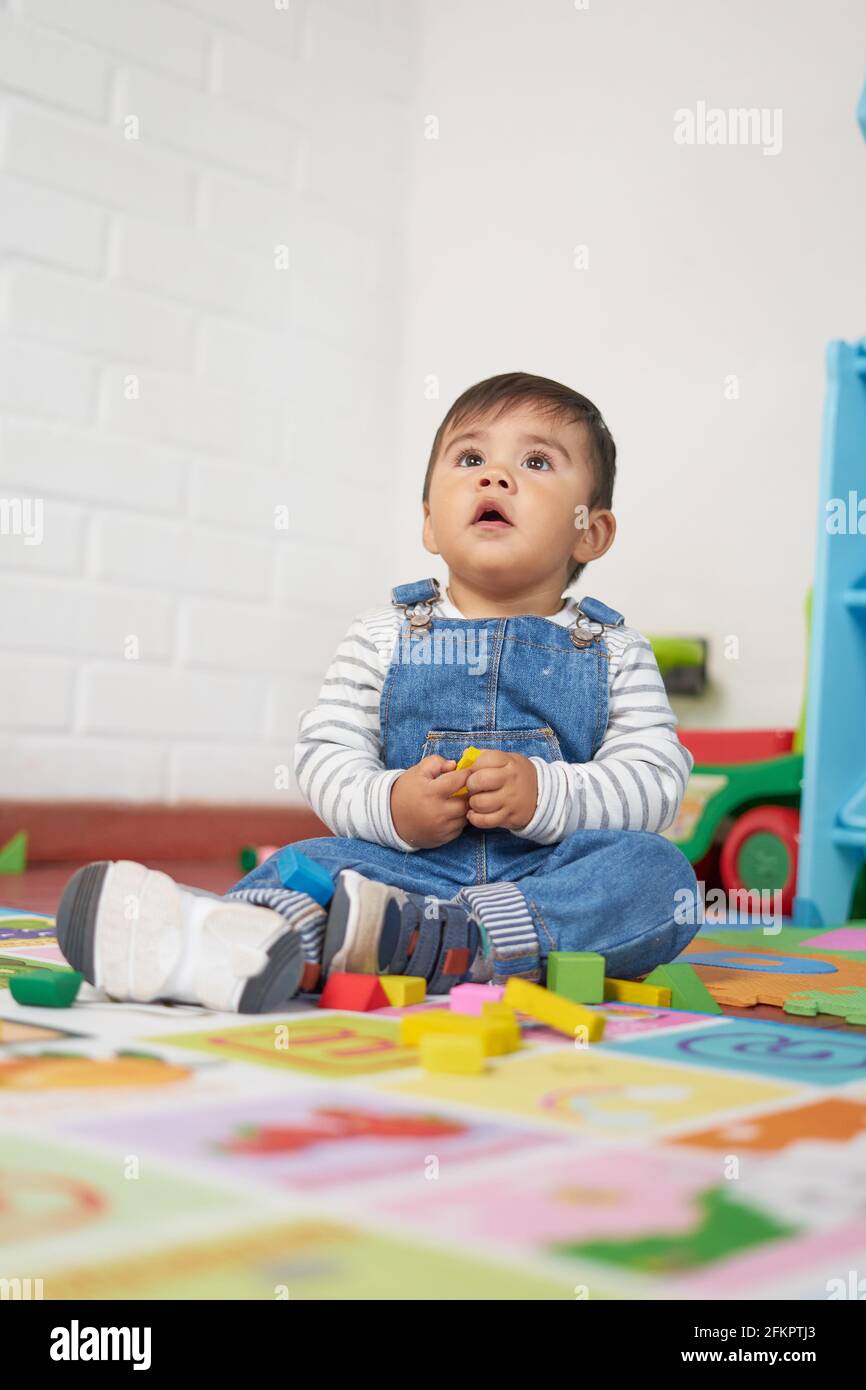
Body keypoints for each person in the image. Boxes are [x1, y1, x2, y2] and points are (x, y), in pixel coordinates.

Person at [56, 371, 698, 1013]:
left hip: (548, 878)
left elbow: (657, 781)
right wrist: (391, 805)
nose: (494, 478)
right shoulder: (382, 634)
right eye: (471, 458)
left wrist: (546, 794)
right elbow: (326, 755)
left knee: (660, 878)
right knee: (304, 862)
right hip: (402, 873)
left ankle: (462, 941)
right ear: (429, 523)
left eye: (535, 461)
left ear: (592, 531)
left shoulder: (614, 648)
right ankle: (222, 941)